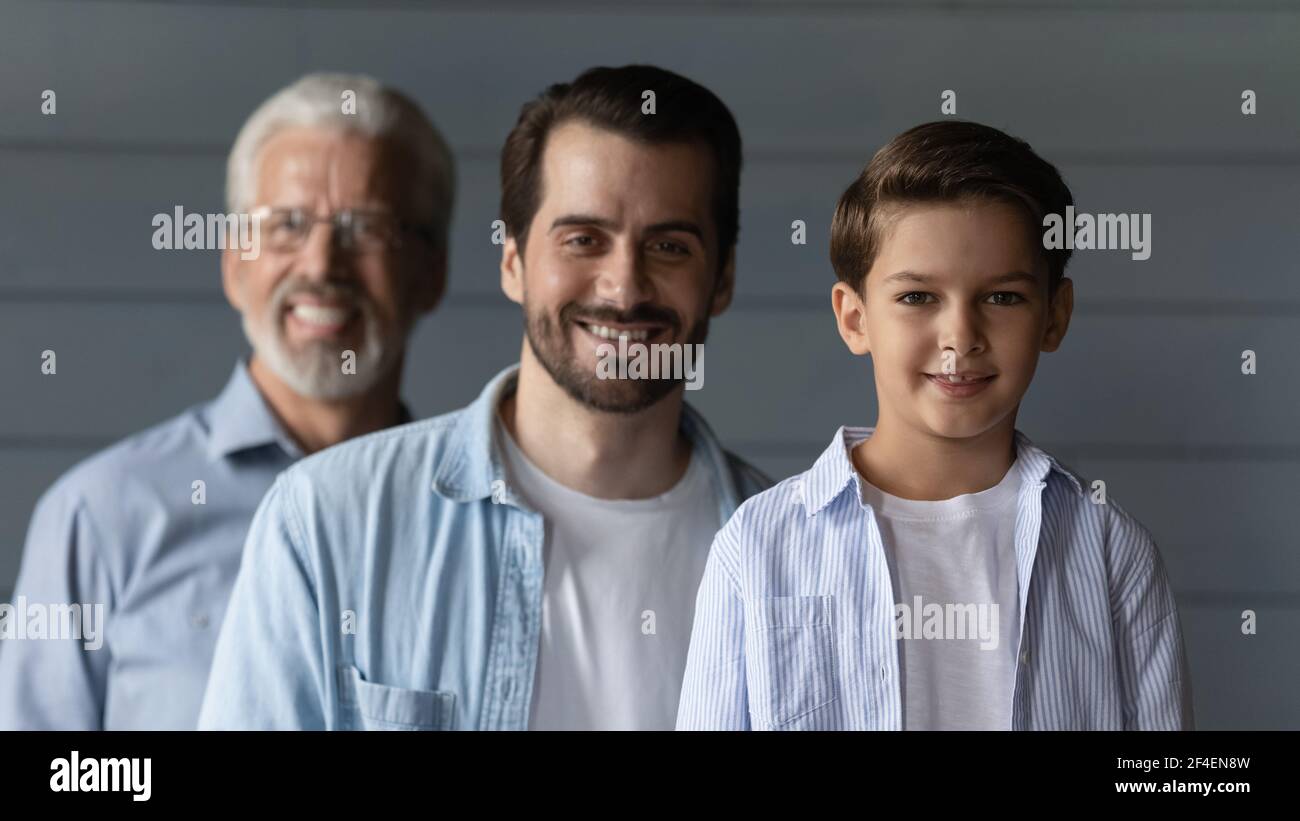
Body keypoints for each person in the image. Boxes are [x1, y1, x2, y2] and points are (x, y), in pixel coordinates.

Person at [198, 64, 768, 731]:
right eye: (582, 239)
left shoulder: (793, 559)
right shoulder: (323, 520)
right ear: (513, 262)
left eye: (669, 246)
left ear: (722, 276)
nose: (622, 286)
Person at [676, 120, 1193, 731]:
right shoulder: (758, 546)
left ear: (1055, 317)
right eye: (918, 297)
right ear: (854, 318)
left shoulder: (1113, 554)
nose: (960, 339)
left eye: (1002, 297)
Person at [0, 72, 454, 729]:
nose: (322, 264)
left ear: (432, 272)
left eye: (367, 228)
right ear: (233, 263)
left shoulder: (473, 520)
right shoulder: (97, 517)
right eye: (286, 225)